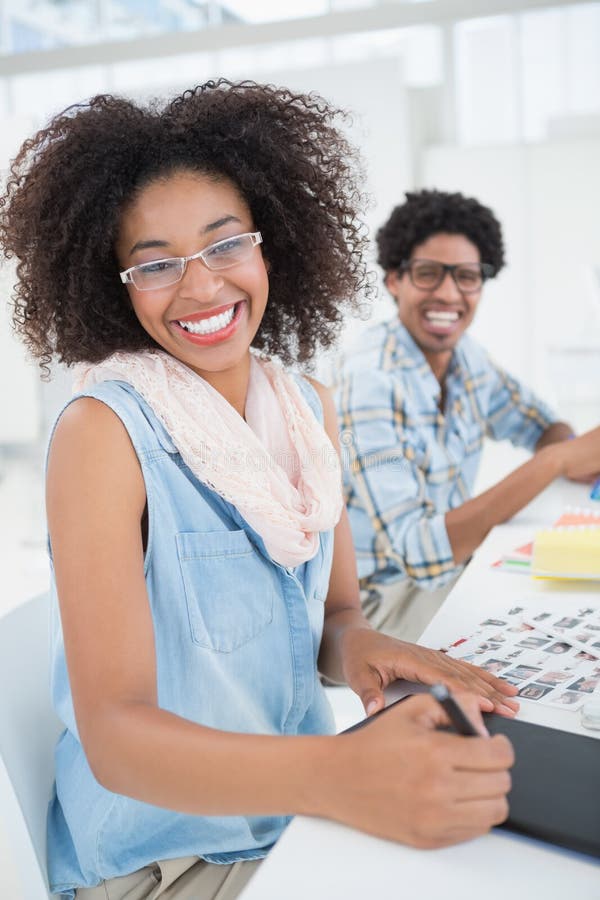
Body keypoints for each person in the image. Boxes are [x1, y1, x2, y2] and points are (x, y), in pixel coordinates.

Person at [0, 83, 517, 900]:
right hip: (168, 860)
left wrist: (371, 650)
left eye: (225, 244)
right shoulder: (104, 433)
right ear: (116, 283)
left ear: (271, 247)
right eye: (157, 262)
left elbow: (334, 617)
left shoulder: (306, 408)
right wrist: (339, 773)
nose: (201, 288)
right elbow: (116, 739)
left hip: (289, 819)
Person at [333, 189, 600, 641]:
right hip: (375, 609)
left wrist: (571, 455)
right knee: (549, 626)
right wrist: (556, 462)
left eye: (467, 277)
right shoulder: (370, 380)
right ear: (394, 279)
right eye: (428, 274)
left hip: (442, 576)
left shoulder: (466, 358)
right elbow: (418, 551)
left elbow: (543, 426)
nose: (449, 294)